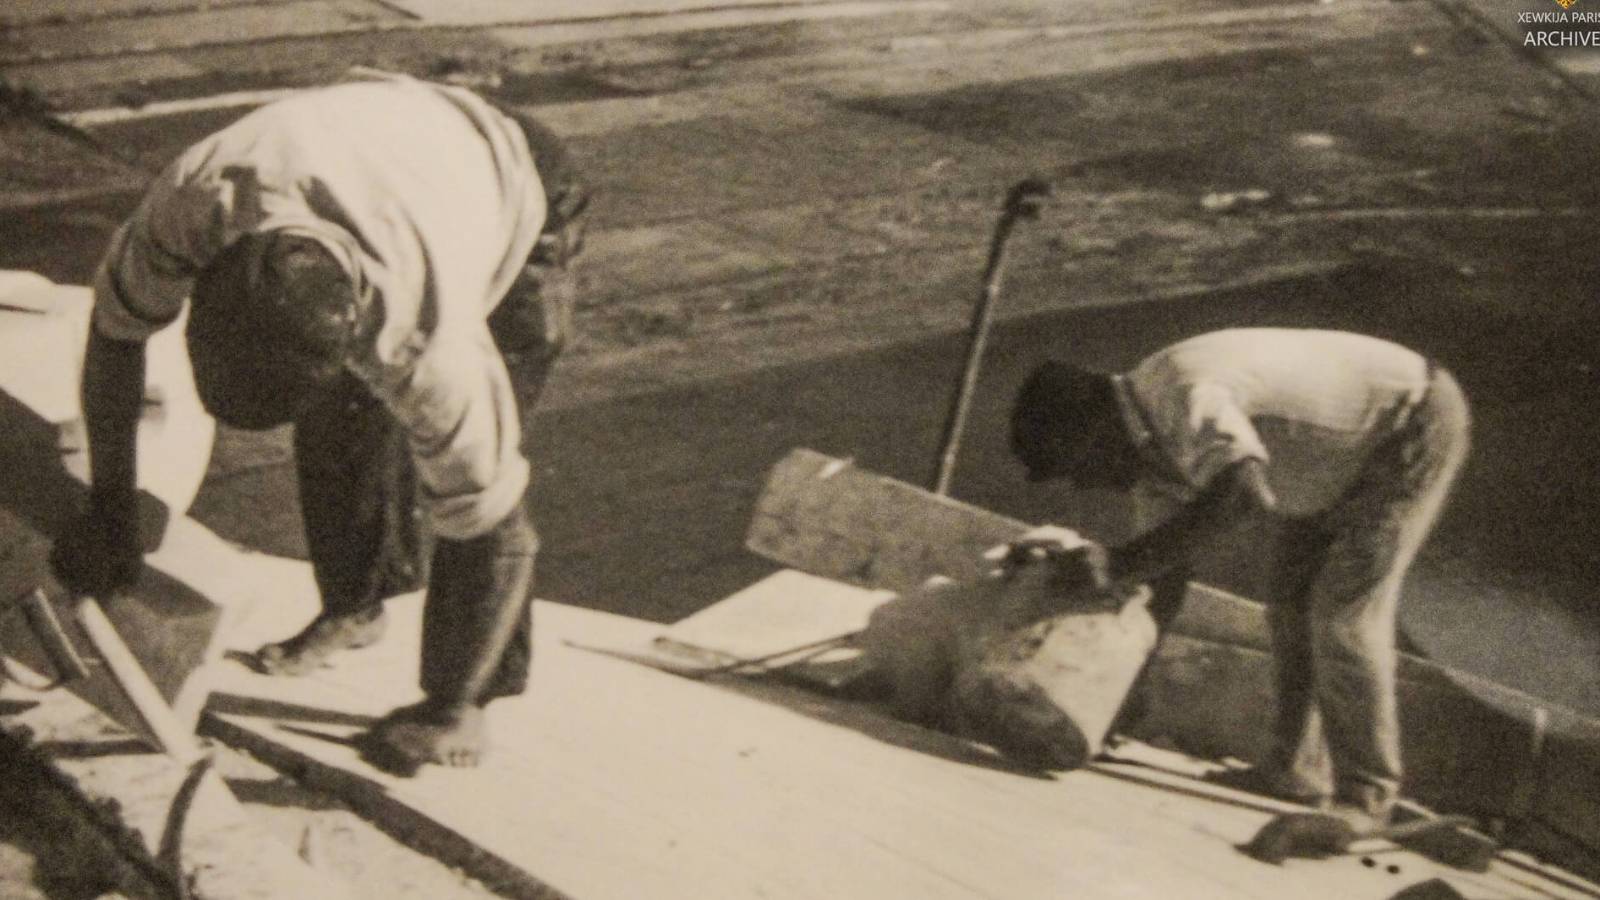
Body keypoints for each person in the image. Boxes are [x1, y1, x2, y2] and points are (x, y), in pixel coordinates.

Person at [50, 69, 591, 775]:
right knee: (343, 428)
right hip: (382, 141)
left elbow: (498, 525)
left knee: (477, 472)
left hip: (518, 178)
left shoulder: (426, 343)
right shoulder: (190, 207)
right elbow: (115, 341)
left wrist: (449, 701)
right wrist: (110, 507)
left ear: (355, 338)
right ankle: (356, 608)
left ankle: (466, 706)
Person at [1006, 328, 1470, 826]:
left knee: (1342, 616)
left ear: (1094, 431)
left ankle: (1366, 795)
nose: (1082, 485)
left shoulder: (1185, 396)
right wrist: (1103, 711)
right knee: (1288, 608)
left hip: (1410, 422)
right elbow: (1159, 587)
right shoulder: (1150, 454)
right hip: (1328, 460)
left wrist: (1119, 565)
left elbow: (1245, 498)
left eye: (1075, 468)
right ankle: (1293, 771)